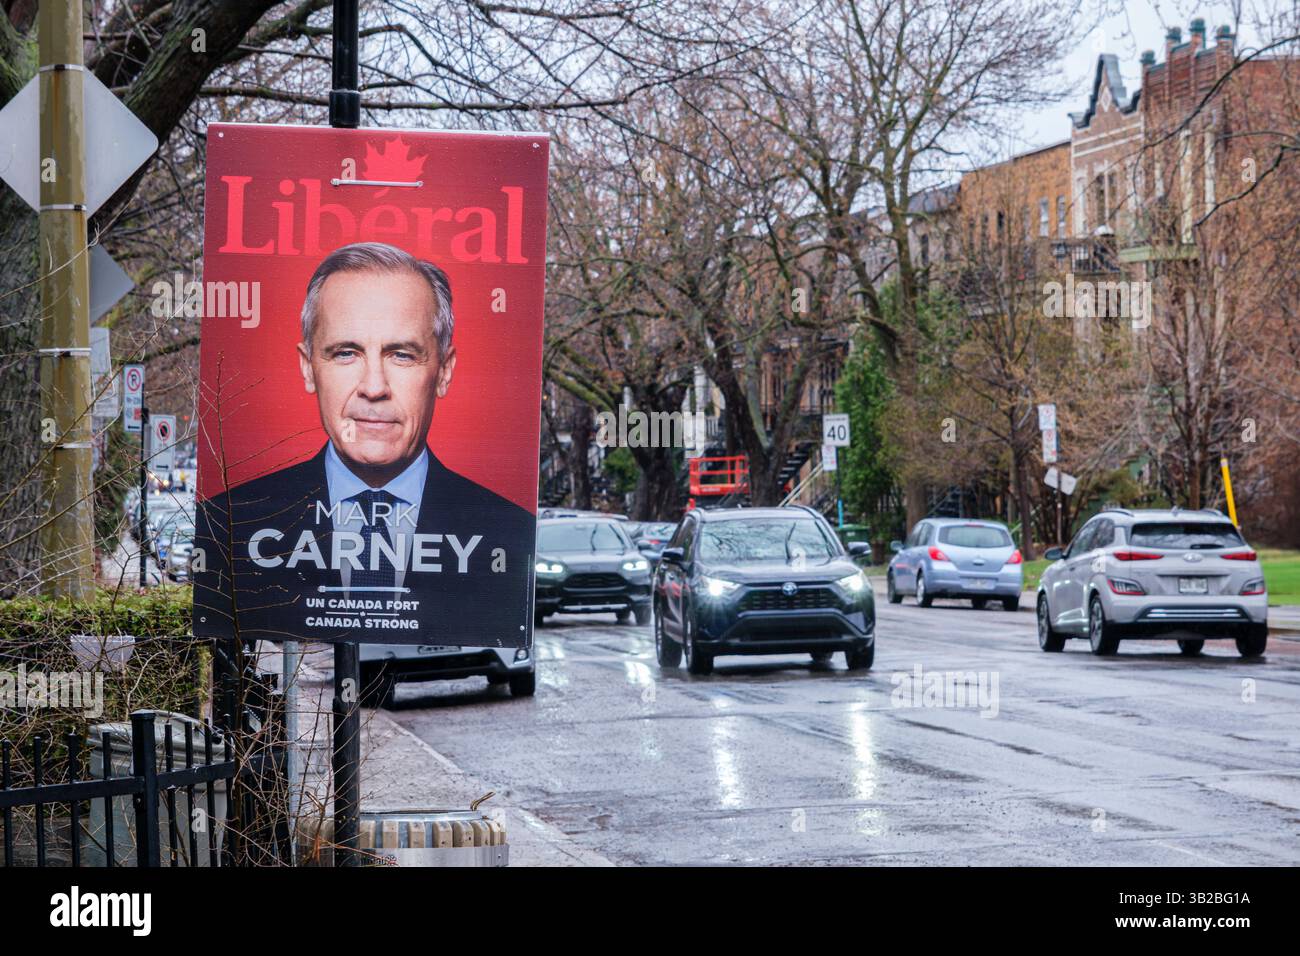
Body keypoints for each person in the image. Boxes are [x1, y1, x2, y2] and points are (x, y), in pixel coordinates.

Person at [194, 242, 533, 647]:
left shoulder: (507, 530)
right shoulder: (232, 521)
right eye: (346, 353)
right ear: (308, 368)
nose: (374, 388)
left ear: (443, 371)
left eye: (402, 355)